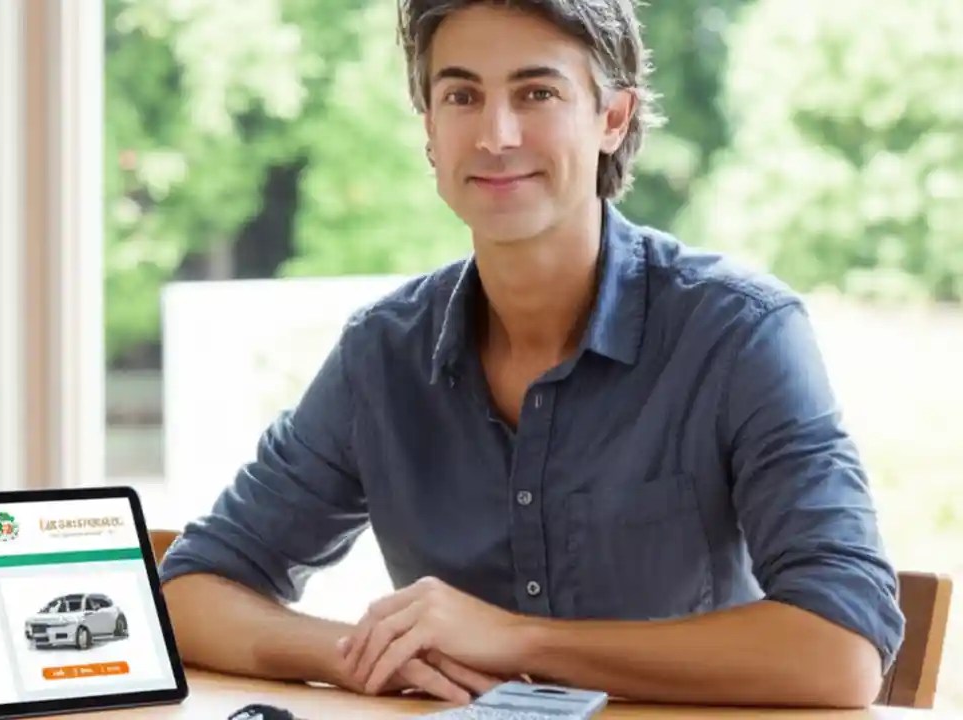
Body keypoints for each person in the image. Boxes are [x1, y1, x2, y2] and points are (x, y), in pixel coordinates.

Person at [158, 0, 905, 708]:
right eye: (461, 97)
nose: (496, 134)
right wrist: (367, 653)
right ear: (430, 130)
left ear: (612, 117)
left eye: (537, 93)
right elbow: (193, 591)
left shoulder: (741, 333)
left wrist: (515, 639)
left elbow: (841, 647)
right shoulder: (381, 355)